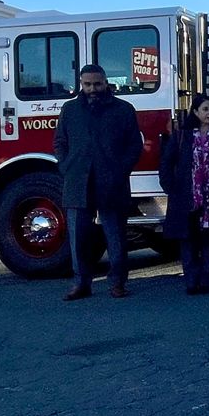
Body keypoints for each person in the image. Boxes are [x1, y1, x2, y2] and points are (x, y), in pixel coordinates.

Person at [54, 64, 145, 300]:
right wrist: (66, 167)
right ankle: (81, 283)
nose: (92, 89)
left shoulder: (123, 109)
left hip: (111, 182)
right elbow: (60, 142)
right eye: (87, 84)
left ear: (106, 82)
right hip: (77, 182)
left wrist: (121, 171)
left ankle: (118, 283)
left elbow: (134, 145)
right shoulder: (70, 109)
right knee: (78, 238)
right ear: (80, 85)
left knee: (115, 235)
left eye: (97, 84)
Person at [159, 93, 209, 295]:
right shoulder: (181, 136)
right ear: (195, 112)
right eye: (205, 109)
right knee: (187, 239)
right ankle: (191, 282)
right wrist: (170, 187)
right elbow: (167, 163)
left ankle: (205, 281)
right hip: (185, 198)